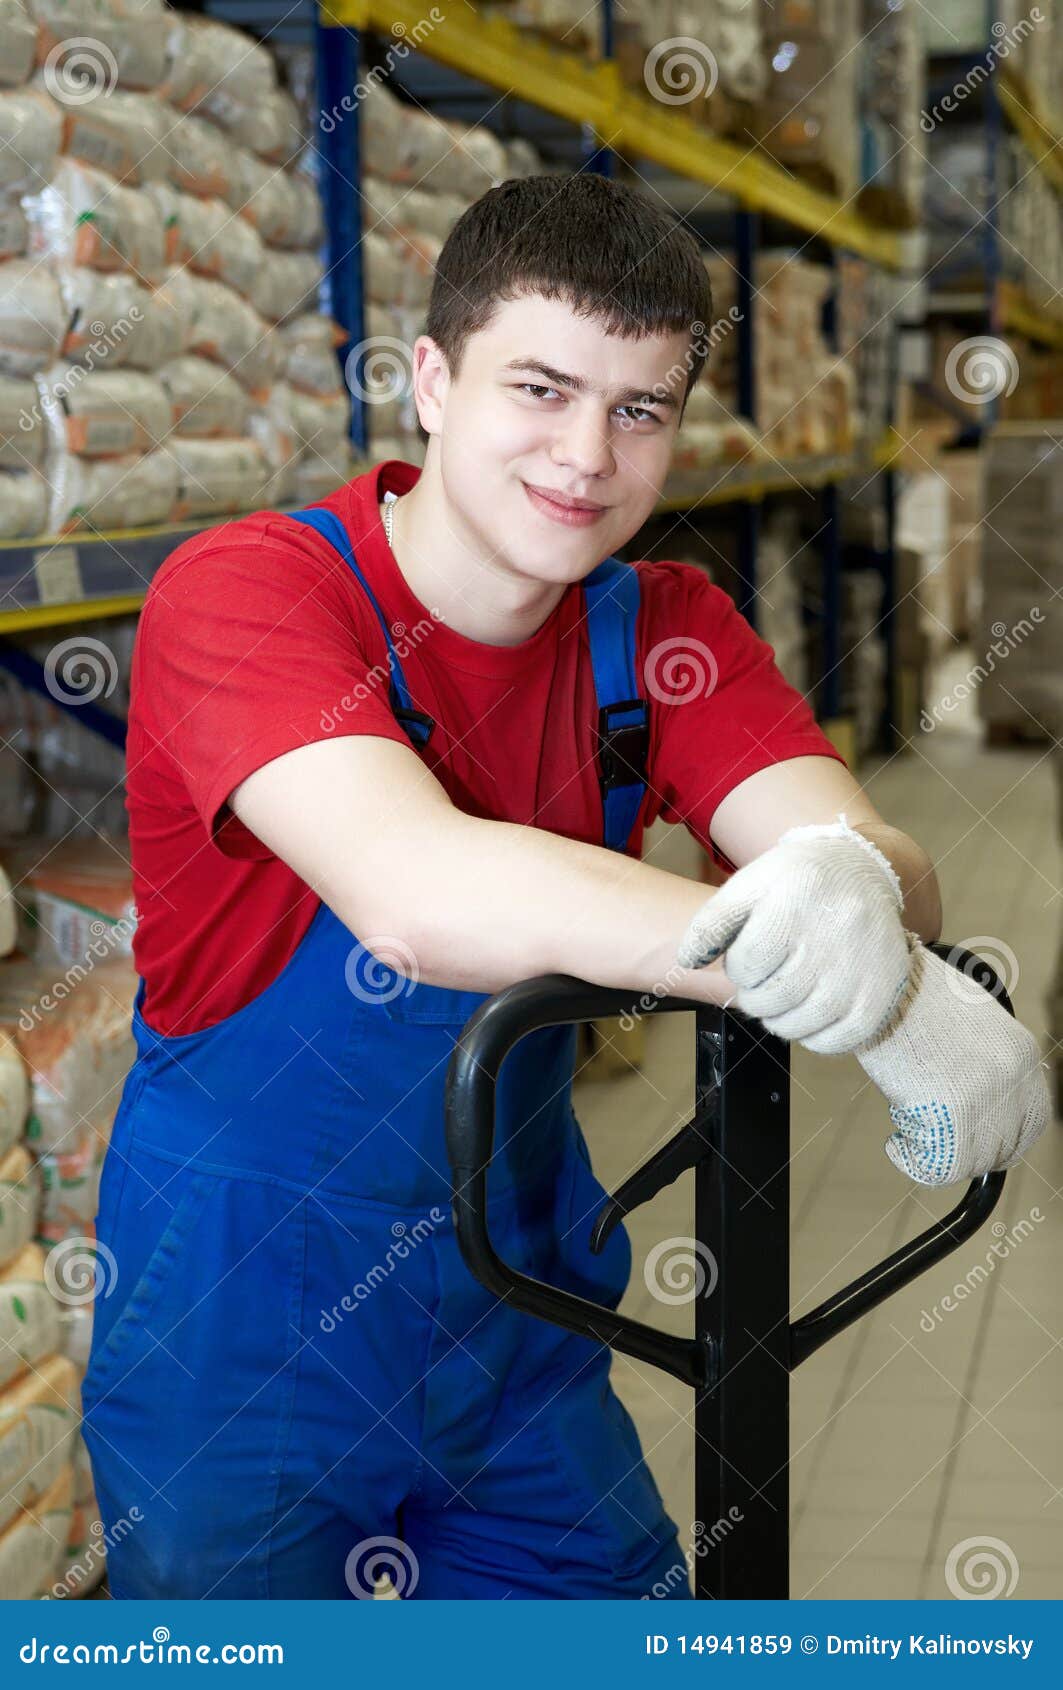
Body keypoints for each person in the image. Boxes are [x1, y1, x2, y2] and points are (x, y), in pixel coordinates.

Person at [80, 172, 1048, 1600]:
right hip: (240, 1359)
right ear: (429, 379)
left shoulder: (661, 629)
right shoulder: (254, 593)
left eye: (640, 408)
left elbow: (859, 861)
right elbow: (416, 893)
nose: (587, 454)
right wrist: (891, 1007)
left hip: (517, 1336)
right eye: (540, 386)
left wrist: (853, 882)